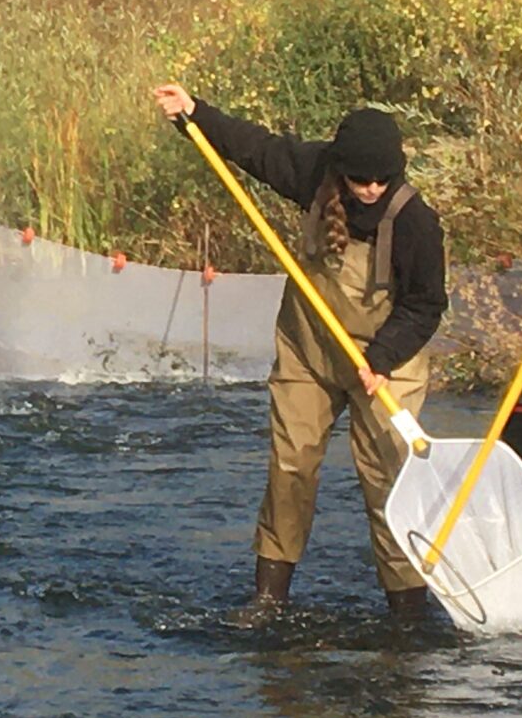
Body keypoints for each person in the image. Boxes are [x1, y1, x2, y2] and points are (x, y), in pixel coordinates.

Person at [150, 83, 449, 619]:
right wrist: (193, 114)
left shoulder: (415, 222)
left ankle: (407, 614)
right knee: (290, 468)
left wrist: (381, 360)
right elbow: (254, 147)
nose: (371, 188)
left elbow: (426, 306)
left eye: (382, 178)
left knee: (388, 482)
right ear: (340, 169)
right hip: (308, 352)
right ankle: (268, 600)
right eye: (361, 179)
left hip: (387, 363)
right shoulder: (314, 173)